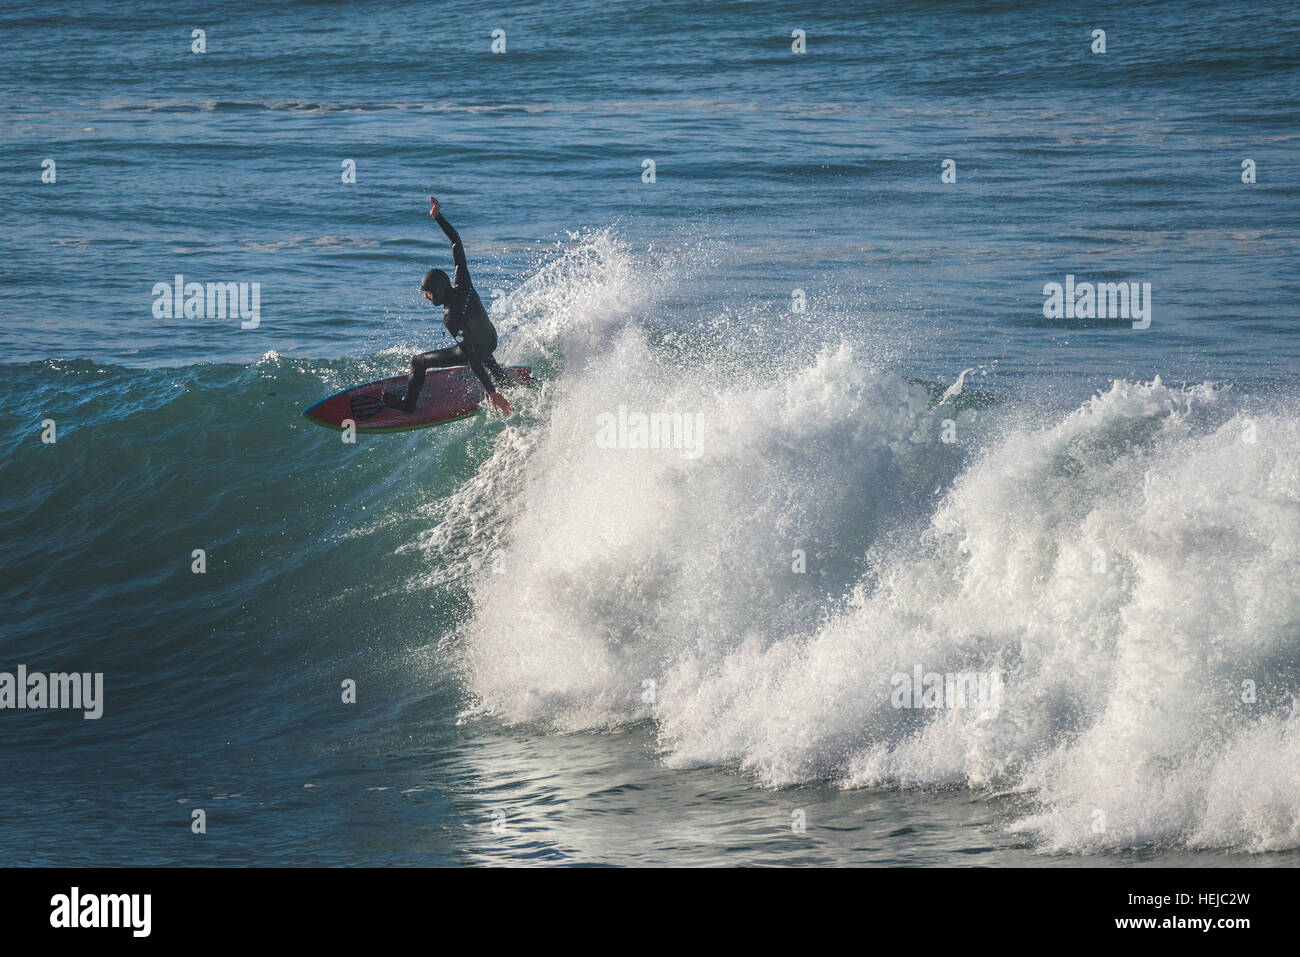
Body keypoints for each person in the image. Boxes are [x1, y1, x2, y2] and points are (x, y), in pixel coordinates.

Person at [383, 197, 512, 415]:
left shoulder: (451, 317)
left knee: (418, 361)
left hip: (478, 351)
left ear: (437, 291)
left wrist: (491, 392)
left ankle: (408, 404)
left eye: (428, 293)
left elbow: (470, 355)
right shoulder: (462, 282)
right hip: (491, 340)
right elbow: (456, 242)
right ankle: (502, 378)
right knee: (479, 346)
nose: (426, 297)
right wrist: (438, 217)